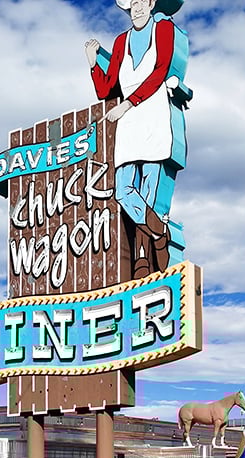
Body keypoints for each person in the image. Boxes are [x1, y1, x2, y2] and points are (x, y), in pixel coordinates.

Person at [85, 0, 189, 278]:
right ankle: (159, 234)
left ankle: (142, 263)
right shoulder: (121, 41)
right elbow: (106, 88)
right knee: (124, 190)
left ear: (152, 3)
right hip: (128, 123)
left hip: (154, 114)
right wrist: (93, 64)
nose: (138, 8)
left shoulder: (164, 29)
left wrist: (129, 103)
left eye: (144, 1)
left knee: (151, 195)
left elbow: (161, 71)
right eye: (134, 3)